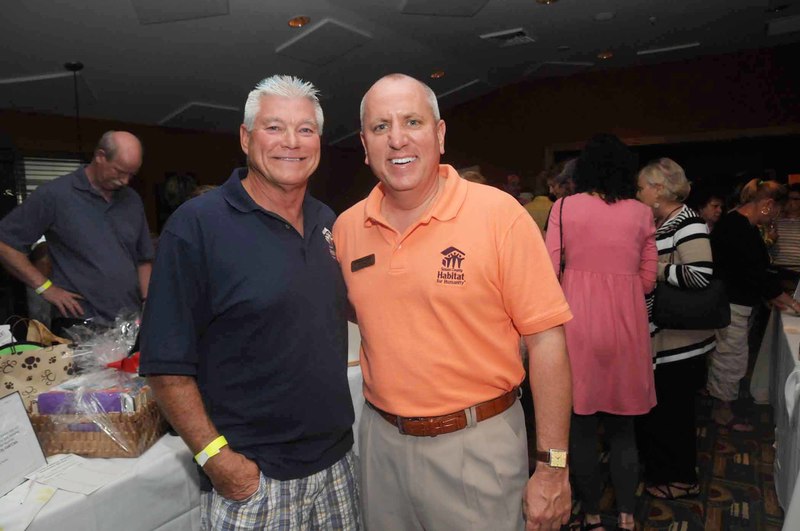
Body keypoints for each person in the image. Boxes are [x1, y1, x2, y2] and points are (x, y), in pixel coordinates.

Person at [333, 73, 573, 530]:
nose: (397, 139)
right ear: (365, 145)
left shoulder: (499, 215)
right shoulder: (346, 229)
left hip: (476, 446)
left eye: (412, 122)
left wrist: (553, 467)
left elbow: (547, 342)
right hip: (381, 446)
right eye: (380, 127)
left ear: (440, 134)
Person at [138, 75, 359, 530]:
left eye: (305, 129)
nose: (291, 142)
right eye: (274, 127)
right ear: (245, 137)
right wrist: (218, 461)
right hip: (254, 481)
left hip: (337, 465)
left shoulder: (328, 221)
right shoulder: (196, 226)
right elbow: (164, 365)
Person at [545, 134, 657, 531]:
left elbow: (548, 270)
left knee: (580, 426)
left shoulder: (564, 207)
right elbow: (648, 281)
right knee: (624, 429)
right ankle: (626, 515)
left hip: (576, 324)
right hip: (627, 327)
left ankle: (591, 513)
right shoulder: (642, 213)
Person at [0, 131, 153, 329]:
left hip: (130, 320)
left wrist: (147, 301)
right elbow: (5, 245)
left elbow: (143, 259)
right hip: (80, 323)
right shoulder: (54, 194)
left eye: (131, 174)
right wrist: (46, 288)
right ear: (100, 156)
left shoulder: (132, 199)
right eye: (119, 171)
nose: (125, 181)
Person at [635, 158, 715, 500]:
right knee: (667, 412)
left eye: (641, 187)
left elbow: (700, 275)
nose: (637, 193)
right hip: (667, 337)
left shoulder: (688, 221)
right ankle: (668, 472)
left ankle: (682, 480)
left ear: (658, 189)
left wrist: (653, 268)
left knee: (676, 414)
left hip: (682, 341)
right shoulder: (666, 221)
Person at [708, 179, 800, 431]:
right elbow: (756, 274)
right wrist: (791, 302)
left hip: (732, 302)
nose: (775, 217)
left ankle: (723, 404)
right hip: (730, 304)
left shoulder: (737, 222)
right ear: (768, 204)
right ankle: (722, 411)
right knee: (730, 358)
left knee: (730, 356)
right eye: (777, 210)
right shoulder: (738, 227)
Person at [770, 183, 800, 292]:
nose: (790, 202)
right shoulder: (774, 221)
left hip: (797, 270)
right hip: (778, 270)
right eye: (788, 198)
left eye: (795, 199)